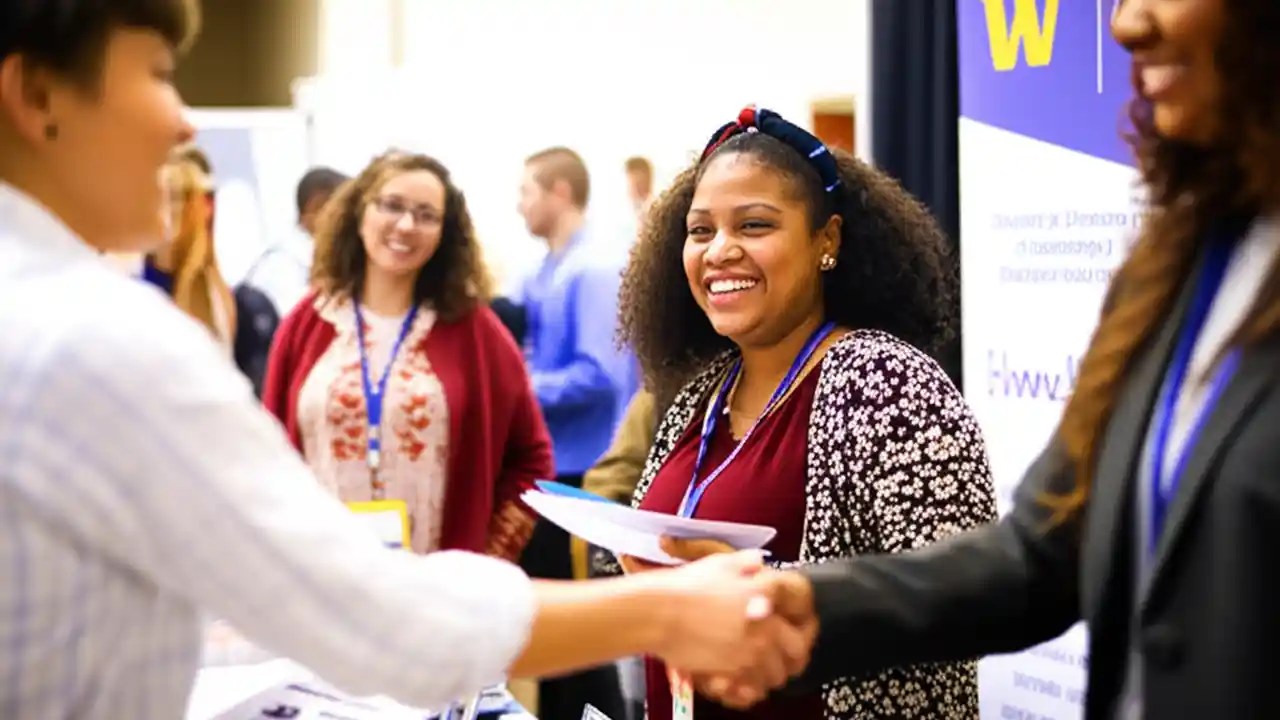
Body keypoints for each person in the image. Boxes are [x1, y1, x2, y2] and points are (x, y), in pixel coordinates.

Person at [0, 3, 817, 717]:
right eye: (157, 74)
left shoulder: (471, 329)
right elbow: (358, 608)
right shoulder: (101, 337)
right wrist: (669, 609)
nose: (185, 124)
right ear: (38, 97)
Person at [707, 1, 1280, 718]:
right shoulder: (1176, 266)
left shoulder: (882, 379)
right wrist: (789, 603)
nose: (1127, 23)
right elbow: (1044, 552)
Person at [602, 106, 997, 720]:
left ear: (826, 241)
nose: (719, 251)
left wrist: (767, 588)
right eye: (700, 230)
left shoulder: (888, 384)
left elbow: (959, 602)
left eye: (754, 225)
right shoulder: (699, 397)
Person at [264, 150, 549, 560]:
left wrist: (483, 557)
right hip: (319, 576)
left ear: (444, 233)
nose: (406, 225)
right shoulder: (307, 324)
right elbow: (268, 454)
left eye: (426, 215)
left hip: (435, 584)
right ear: (360, 211)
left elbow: (532, 459)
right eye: (392, 205)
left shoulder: (475, 331)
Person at [515, 144, 636, 720]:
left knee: (583, 641)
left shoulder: (594, 269)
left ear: (560, 193)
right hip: (550, 469)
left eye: (526, 192)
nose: (518, 205)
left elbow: (598, 375)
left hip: (583, 472)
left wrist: (517, 388)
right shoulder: (545, 270)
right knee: (554, 638)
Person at [144, 146, 237, 350]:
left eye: (176, 199)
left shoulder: (213, 291)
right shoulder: (133, 284)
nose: (169, 211)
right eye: (165, 198)